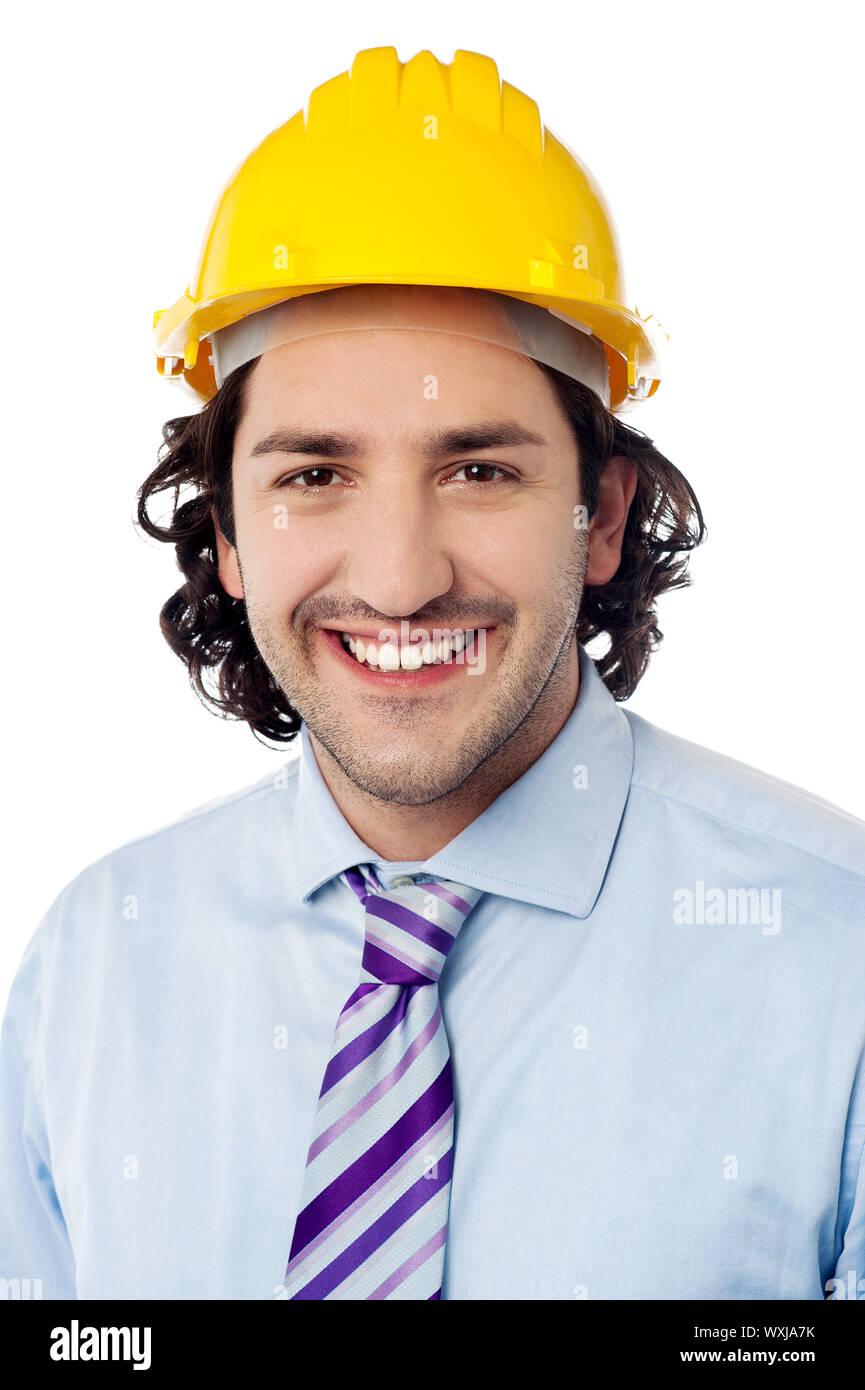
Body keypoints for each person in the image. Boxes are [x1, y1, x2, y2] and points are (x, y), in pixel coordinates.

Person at [1, 45, 863, 1303]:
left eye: (479, 470)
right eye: (313, 474)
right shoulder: (93, 963)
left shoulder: (835, 959)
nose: (399, 581)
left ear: (604, 512)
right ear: (229, 535)